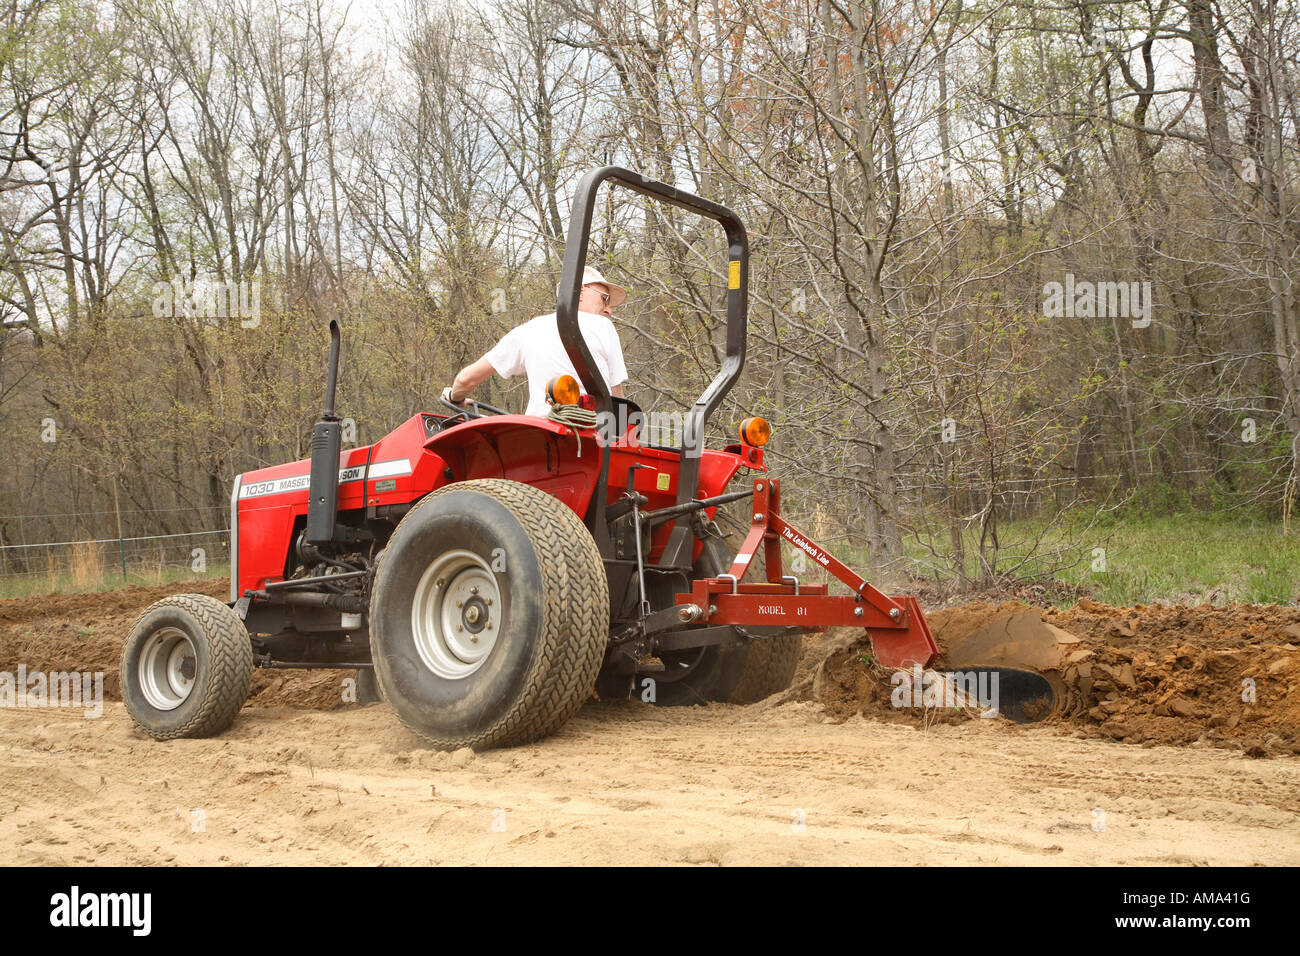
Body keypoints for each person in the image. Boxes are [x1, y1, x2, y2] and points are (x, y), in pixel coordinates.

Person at [442, 267, 629, 417]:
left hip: (539, 437)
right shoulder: (603, 326)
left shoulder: (527, 331)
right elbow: (617, 397)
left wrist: (454, 396)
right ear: (579, 292)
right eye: (605, 300)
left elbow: (466, 379)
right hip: (590, 435)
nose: (608, 310)